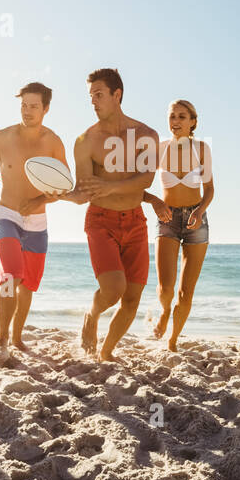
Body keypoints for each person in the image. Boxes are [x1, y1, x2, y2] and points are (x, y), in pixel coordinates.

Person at [58, 68, 160, 361]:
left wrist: (108, 185)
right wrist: (57, 194)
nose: (93, 101)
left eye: (99, 94)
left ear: (117, 95)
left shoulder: (146, 135)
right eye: (91, 96)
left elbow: (146, 179)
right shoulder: (85, 141)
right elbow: (84, 192)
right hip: (101, 221)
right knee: (114, 289)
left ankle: (106, 351)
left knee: (132, 298)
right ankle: (92, 315)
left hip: (135, 222)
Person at [0, 82, 69, 359]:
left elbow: (63, 187)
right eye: (23, 105)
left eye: (34, 106)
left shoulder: (53, 142)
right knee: (9, 275)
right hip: (7, 215)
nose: (27, 111)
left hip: (37, 222)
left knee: (27, 285)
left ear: (46, 109)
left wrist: (39, 201)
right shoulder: (3, 137)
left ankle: (16, 337)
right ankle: (1, 340)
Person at [143, 99, 214, 351]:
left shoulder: (202, 149)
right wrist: (154, 201)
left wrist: (200, 211)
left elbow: (210, 190)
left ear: (193, 121)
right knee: (165, 289)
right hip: (167, 219)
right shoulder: (159, 149)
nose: (176, 121)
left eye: (182, 117)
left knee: (186, 292)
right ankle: (164, 311)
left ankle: (173, 339)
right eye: (172, 116)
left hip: (197, 220)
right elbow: (136, 185)